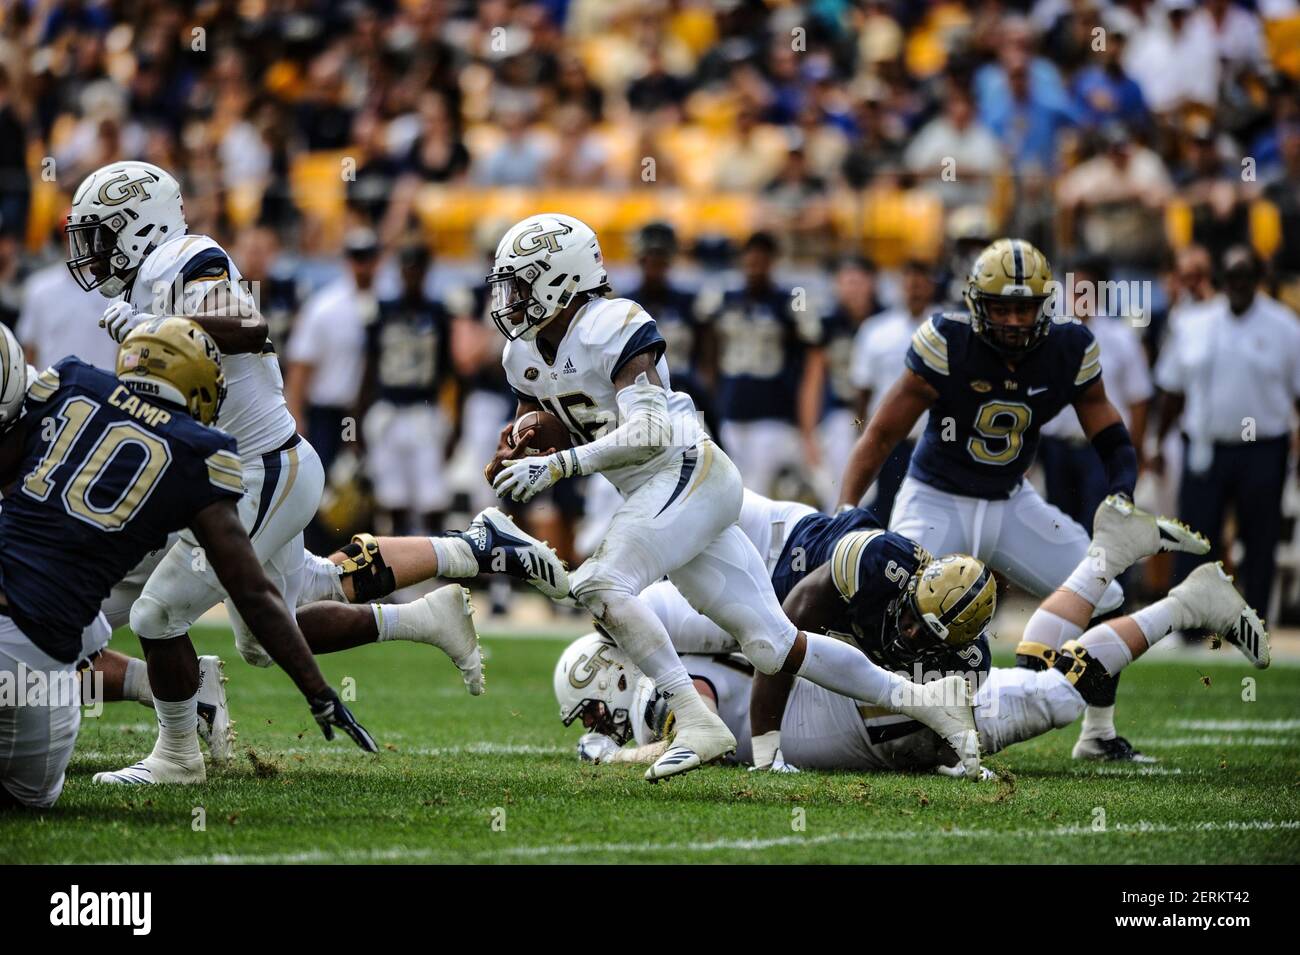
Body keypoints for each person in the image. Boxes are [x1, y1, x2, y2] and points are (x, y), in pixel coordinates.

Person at [483, 213, 983, 782]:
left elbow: (647, 431)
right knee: (774, 645)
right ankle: (925, 699)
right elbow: (550, 421)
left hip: (689, 472)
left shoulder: (611, 322)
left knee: (600, 583)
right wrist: (522, 443)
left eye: (521, 284)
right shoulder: (521, 354)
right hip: (660, 492)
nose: (511, 300)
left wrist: (559, 465)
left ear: (561, 278)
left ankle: (696, 720)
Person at [555, 497, 1262, 775]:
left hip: (831, 688)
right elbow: (776, 628)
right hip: (801, 613)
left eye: (591, 707)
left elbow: (770, 641)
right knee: (1046, 691)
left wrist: (611, 754)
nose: (596, 719)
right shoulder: (873, 565)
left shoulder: (669, 671)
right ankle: (1129, 572)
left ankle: (1173, 598)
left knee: (1049, 694)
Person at [0, 319, 373, 806]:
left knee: (92, 629)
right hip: (29, 654)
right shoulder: (198, 453)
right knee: (26, 801)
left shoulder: (70, 379)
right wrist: (318, 691)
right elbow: (253, 594)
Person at [64, 160, 346, 782]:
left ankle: (178, 756)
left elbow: (251, 328)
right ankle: (438, 603)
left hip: (260, 467)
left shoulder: (186, 256)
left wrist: (157, 327)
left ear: (138, 227)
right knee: (261, 633)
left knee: (155, 615)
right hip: (213, 477)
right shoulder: (144, 285)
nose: (94, 254)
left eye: (102, 236)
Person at [839, 238, 1148, 761]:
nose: (1011, 320)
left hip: (1011, 501)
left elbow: (1111, 435)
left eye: (1022, 308)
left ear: (1043, 306)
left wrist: (1121, 496)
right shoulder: (948, 342)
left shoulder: (1069, 349)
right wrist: (846, 510)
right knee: (896, 608)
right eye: (1000, 307)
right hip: (935, 496)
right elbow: (881, 435)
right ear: (977, 305)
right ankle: (897, 733)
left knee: (1106, 594)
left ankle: (1098, 732)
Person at [1153, 246, 1300, 619]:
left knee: (1259, 539)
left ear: (1258, 279)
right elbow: (1172, 389)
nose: (1238, 285)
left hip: (1263, 448)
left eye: (1245, 277)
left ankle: (1255, 625)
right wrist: (1156, 441)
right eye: (1231, 277)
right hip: (1206, 446)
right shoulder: (1193, 322)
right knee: (1196, 539)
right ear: (1222, 280)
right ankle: (1187, 625)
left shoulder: (1284, 326)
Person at [696, 231, 825, 496]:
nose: (755, 266)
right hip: (728, 412)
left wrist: (806, 423)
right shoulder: (722, 296)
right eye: (751, 259)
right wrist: (709, 398)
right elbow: (706, 351)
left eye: (762, 259)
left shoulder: (791, 300)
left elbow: (813, 357)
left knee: (759, 496)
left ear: (773, 262)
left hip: (773, 415)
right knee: (726, 492)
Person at [362, 241, 453, 534]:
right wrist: (355, 420)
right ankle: (400, 566)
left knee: (432, 496)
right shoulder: (382, 310)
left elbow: (451, 371)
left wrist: (457, 423)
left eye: (417, 268)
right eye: (406, 268)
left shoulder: (439, 311)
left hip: (424, 410)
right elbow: (368, 367)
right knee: (392, 496)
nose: (411, 274)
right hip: (388, 409)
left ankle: (441, 563)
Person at [849, 259, 941, 523]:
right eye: (910, 283)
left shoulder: (947, 329)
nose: (915, 290)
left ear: (931, 286)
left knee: (931, 513)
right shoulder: (876, 330)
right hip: (890, 443)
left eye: (921, 282)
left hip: (934, 440)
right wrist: (861, 433)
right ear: (901, 286)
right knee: (887, 510)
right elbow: (862, 393)